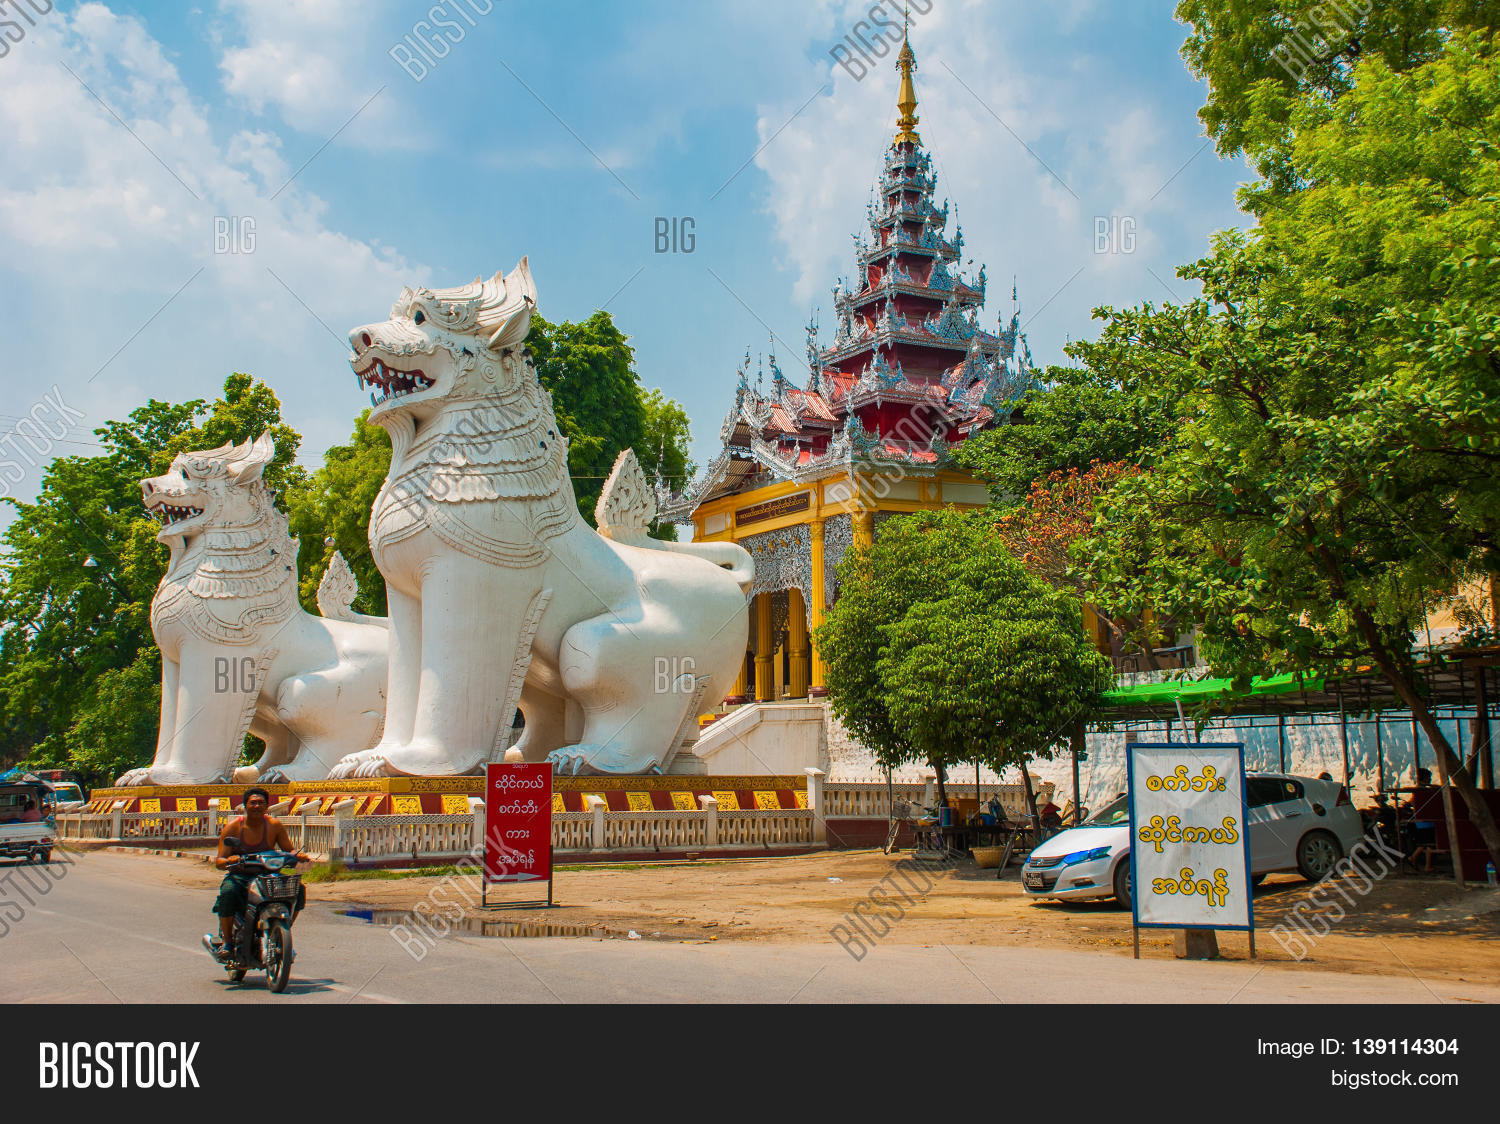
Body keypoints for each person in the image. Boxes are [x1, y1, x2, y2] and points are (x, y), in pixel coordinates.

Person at [207, 787, 309, 961]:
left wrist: (297, 855)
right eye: (252, 803)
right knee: (228, 892)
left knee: (298, 890)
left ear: (267, 806)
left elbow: (288, 849)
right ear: (245, 806)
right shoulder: (233, 827)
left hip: (267, 876)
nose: (257, 806)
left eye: (261, 803)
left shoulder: (274, 826)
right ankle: (228, 943)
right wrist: (230, 860)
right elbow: (219, 861)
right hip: (241, 876)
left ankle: (284, 930)